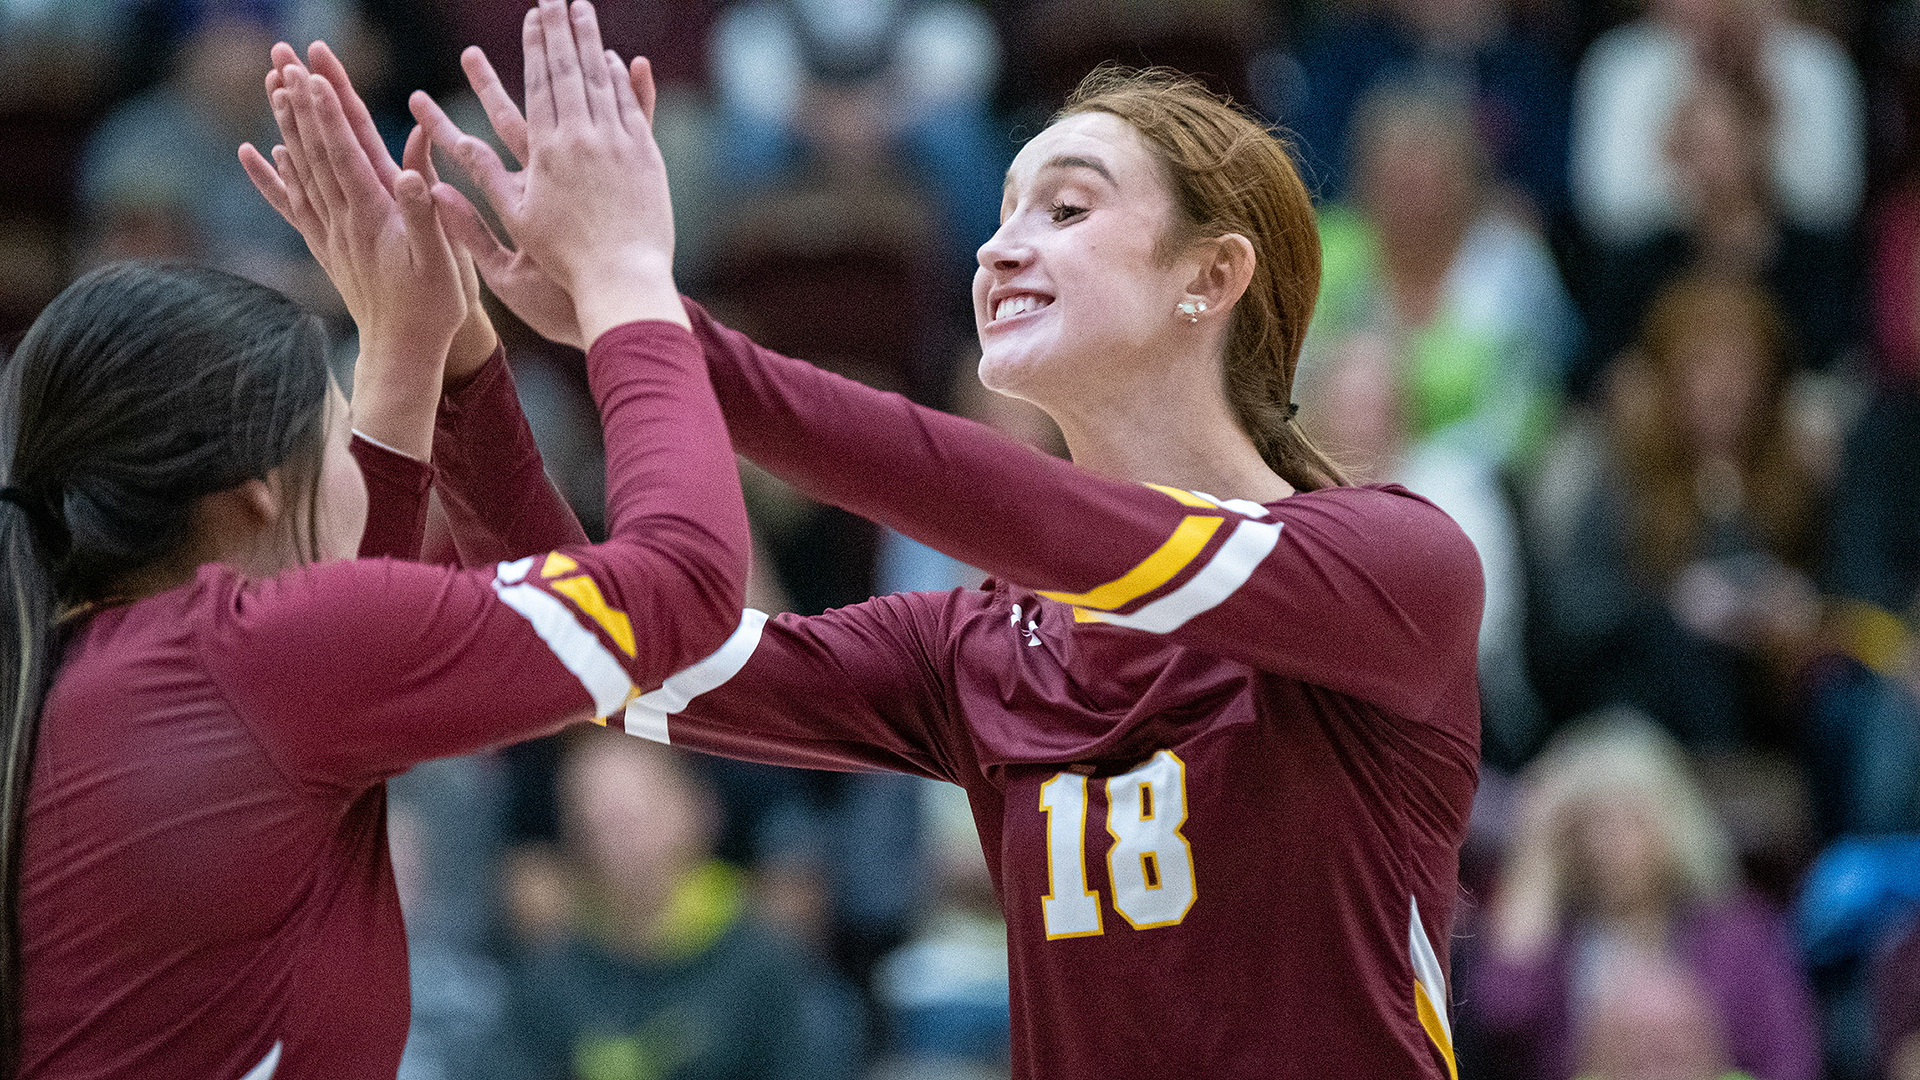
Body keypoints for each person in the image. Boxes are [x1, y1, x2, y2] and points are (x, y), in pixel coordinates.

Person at [280, 5, 1484, 1075]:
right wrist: (458, 362)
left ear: (1211, 275)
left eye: (1065, 209)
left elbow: (1018, 510)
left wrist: (650, 312)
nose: (1000, 247)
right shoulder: (982, 647)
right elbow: (628, 662)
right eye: (1001, 213)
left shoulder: (1391, 571)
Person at [4, 28, 748, 1079]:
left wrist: (418, 350)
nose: (360, 443)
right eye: (336, 420)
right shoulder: (253, 659)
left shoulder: (81, 662)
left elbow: (354, 619)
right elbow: (686, 589)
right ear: (253, 489)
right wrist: (627, 282)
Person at [1466, 711, 1820, 1080]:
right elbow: (1502, 1019)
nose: (1606, 843)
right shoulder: (1558, 941)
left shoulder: (1740, 933)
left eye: (1627, 819)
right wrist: (1535, 856)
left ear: (1672, 823)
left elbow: (1791, 1062)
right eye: (1587, 824)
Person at [495, 732, 864, 1080]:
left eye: (632, 819)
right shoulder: (548, 974)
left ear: (698, 811)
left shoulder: (766, 959)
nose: (616, 844)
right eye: (594, 822)